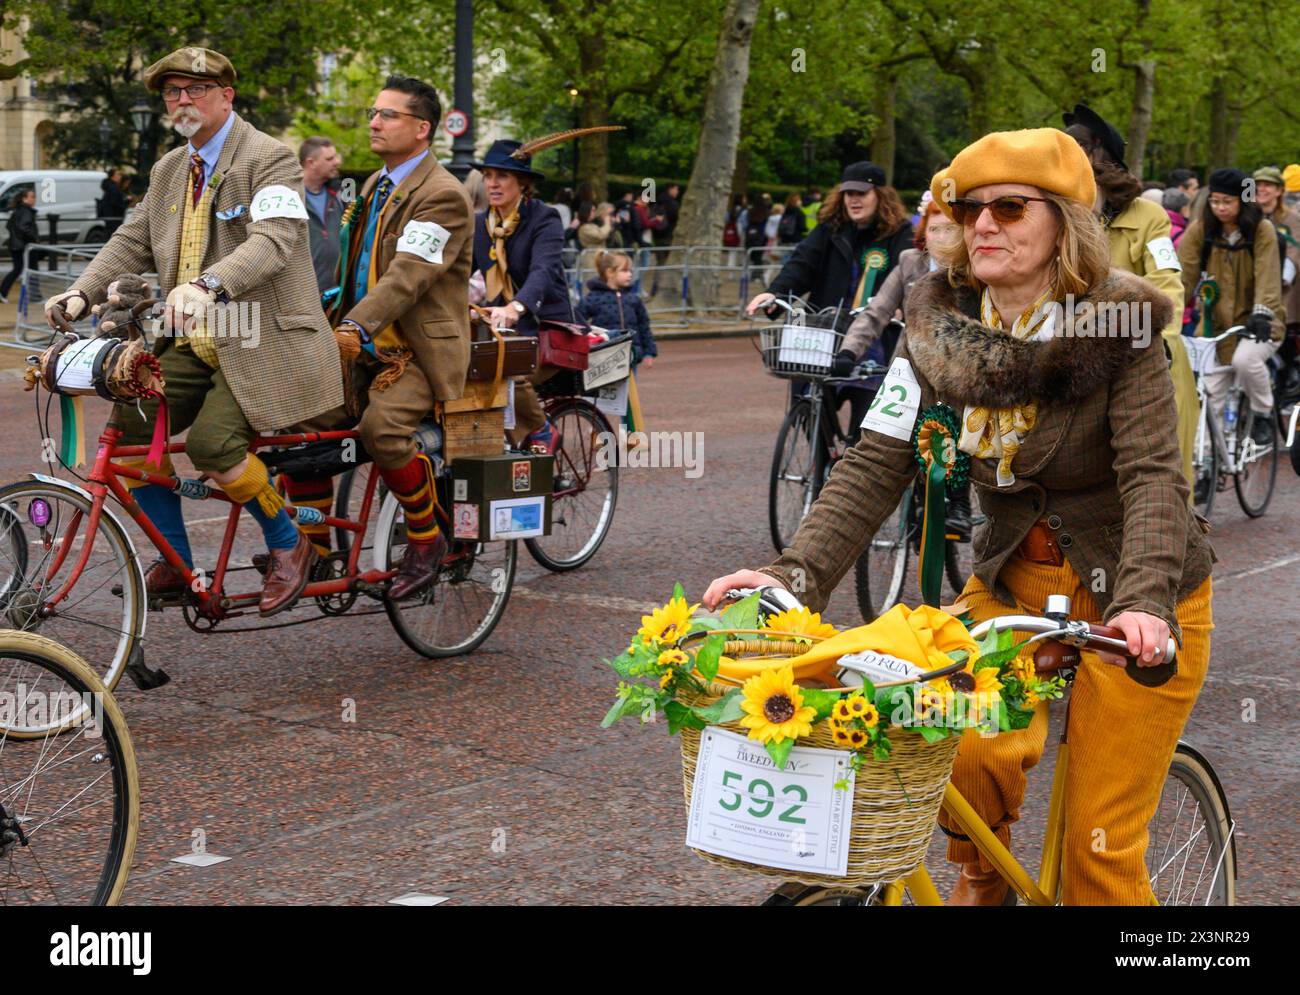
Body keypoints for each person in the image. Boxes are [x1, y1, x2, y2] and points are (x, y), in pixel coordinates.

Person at [705, 127, 1214, 906]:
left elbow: (1153, 476)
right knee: (949, 752)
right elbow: (877, 459)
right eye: (969, 208)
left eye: (1010, 208)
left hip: (1135, 599)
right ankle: (987, 879)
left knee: (1097, 855)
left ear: (1065, 223)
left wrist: (1144, 602)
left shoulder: (1124, 328)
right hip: (1012, 587)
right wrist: (790, 576)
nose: (982, 224)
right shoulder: (936, 329)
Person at [42, 46, 344, 616]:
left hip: (264, 338)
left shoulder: (269, 159)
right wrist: (82, 291)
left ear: (226, 96)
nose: (182, 100)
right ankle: (178, 563)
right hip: (196, 338)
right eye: (172, 92)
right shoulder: (169, 169)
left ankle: (291, 544)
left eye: (195, 90)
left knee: (211, 445)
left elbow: (274, 240)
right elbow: (132, 240)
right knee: (131, 427)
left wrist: (207, 285)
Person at [316, 75, 474, 600]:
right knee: (290, 413)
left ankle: (427, 540)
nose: (374, 122)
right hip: (358, 343)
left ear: (422, 129)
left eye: (388, 115)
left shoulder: (444, 195)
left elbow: (408, 275)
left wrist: (354, 326)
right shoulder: (371, 185)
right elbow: (358, 266)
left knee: (381, 429)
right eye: (373, 112)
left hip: (414, 352)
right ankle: (314, 548)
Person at [1063, 102, 1199, 489]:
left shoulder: (1149, 218)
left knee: (1160, 483)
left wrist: (1161, 343)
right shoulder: (1058, 218)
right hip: (1080, 365)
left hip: (1145, 357)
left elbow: (1168, 283)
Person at [835, 193, 974, 539]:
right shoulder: (909, 261)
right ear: (923, 231)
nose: (940, 238)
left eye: (949, 230)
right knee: (884, 434)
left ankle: (957, 504)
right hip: (909, 365)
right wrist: (849, 351)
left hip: (956, 367)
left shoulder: (973, 269)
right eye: (934, 229)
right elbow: (876, 311)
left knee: (952, 424)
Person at [471, 137, 576, 454]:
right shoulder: (481, 224)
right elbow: (458, 272)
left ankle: (541, 431)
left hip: (544, 326)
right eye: (488, 176)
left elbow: (542, 272)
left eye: (502, 176)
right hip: (502, 329)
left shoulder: (544, 219)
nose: (492, 184)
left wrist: (516, 307)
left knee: (506, 372)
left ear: (523, 183)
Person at [1178, 167, 1284, 449]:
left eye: (1227, 201)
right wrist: (1169, 313)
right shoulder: (1201, 230)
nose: (1220, 207)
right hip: (1216, 325)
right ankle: (1207, 463)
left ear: (1242, 200)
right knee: (1210, 397)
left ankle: (1262, 413)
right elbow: (1182, 278)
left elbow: (1268, 277)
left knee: (1245, 361)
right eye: (1214, 201)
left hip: (1259, 323)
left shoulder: (1261, 230)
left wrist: (1262, 312)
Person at [747, 161, 914, 321]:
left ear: (881, 195)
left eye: (862, 193)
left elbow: (907, 278)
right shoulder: (830, 228)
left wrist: (899, 306)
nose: (854, 200)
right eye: (849, 193)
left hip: (876, 331)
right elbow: (802, 264)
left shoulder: (901, 232)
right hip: (826, 326)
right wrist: (776, 293)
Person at [1252, 166, 1300, 395]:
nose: (1262, 189)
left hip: (1284, 287)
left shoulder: (1290, 219)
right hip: (1251, 283)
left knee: (1285, 326)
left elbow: (1293, 252)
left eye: (1268, 185)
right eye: (1258, 185)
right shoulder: (1248, 216)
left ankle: (1288, 372)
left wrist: (1278, 281)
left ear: (1279, 190)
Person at [578, 249, 656, 370]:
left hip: (631, 355)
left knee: (630, 389)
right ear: (610, 272)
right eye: (624, 270)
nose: (630, 274)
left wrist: (649, 352)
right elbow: (578, 321)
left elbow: (644, 325)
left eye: (630, 270)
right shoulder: (593, 298)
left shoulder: (634, 299)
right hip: (603, 356)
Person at [297, 136, 343, 296]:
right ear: (311, 163)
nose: (337, 162)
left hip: (337, 294)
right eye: (329, 159)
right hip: (303, 297)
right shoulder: (291, 198)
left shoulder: (340, 194)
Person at [0, 187, 38, 302]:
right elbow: (23, 227)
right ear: (24, 199)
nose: (34, 199)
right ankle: (3, 292)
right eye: (31, 197)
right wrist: (33, 238)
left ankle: (34, 296)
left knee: (21, 269)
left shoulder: (19, 210)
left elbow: (9, 225)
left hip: (17, 244)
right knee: (22, 269)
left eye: (34, 197)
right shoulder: (26, 211)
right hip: (22, 246)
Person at [98, 167, 128, 237]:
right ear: (113, 176)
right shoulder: (113, 187)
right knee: (112, 236)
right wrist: (125, 204)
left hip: (110, 216)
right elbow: (114, 202)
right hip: (114, 217)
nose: (120, 176)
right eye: (118, 174)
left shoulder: (109, 186)